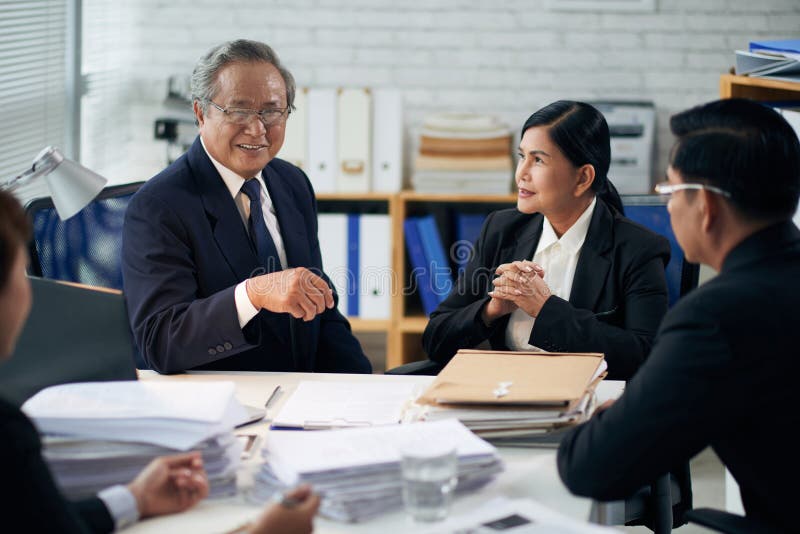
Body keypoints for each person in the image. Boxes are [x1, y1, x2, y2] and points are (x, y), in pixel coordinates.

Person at [0, 190, 320, 533]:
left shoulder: (288, 184)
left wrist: (134, 498)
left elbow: (43, 522)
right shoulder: (8, 436)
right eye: (22, 274)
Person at [557, 98, 800, 531]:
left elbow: (593, 467)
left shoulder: (716, 318)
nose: (667, 207)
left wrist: (606, 415)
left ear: (705, 207)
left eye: (670, 191)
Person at [122, 39, 371, 374]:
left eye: (271, 111)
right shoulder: (158, 207)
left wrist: (368, 390)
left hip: (302, 400)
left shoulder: (292, 183)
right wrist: (252, 294)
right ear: (200, 113)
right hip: (221, 405)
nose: (257, 129)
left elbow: (320, 313)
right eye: (238, 111)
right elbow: (162, 342)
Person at [422, 101, 670, 380]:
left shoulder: (639, 249)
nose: (521, 173)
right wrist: (492, 310)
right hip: (503, 391)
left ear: (583, 177)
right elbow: (436, 338)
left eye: (538, 160)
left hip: (586, 398)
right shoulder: (500, 230)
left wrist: (545, 309)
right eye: (522, 156)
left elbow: (645, 356)